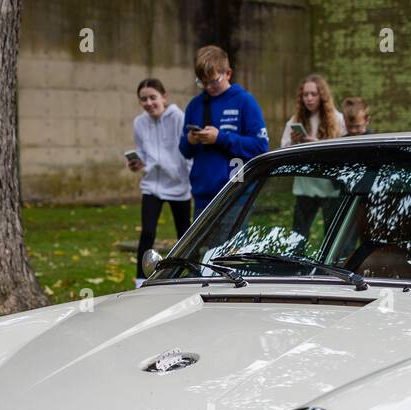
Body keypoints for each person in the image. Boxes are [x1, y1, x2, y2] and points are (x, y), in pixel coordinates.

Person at [178, 45, 268, 212]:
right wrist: (190, 140)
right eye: (203, 83)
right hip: (202, 194)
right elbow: (184, 151)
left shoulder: (245, 102)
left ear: (228, 74)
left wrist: (220, 138)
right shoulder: (195, 105)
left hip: (235, 192)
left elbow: (260, 147)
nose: (209, 87)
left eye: (214, 81)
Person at [128, 78, 191, 286]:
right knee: (147, 232)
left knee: (185, 233)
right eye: (143, 99)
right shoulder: (139, 123)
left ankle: (190, 274)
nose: (148, 103)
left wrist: (190, 177)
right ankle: (140, 278)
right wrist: (138, 163)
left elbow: (187, 151)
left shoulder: (178, 118)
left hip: (178, 185)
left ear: (164, 97)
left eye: (152, 97)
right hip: (152, 186)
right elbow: (144, 153)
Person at [280, 74, 345, 239]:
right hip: (305, 185)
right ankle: (297, 264)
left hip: (329, 186)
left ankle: (327, 265)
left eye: (313, 94)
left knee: (332, 236)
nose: (309, 98)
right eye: (305, 94)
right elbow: (283, 150)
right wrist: (295, 143)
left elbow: (345, 152)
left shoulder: (337, 119)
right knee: (298, 236)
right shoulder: (295, 121)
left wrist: (319, 144)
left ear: (322, 96)